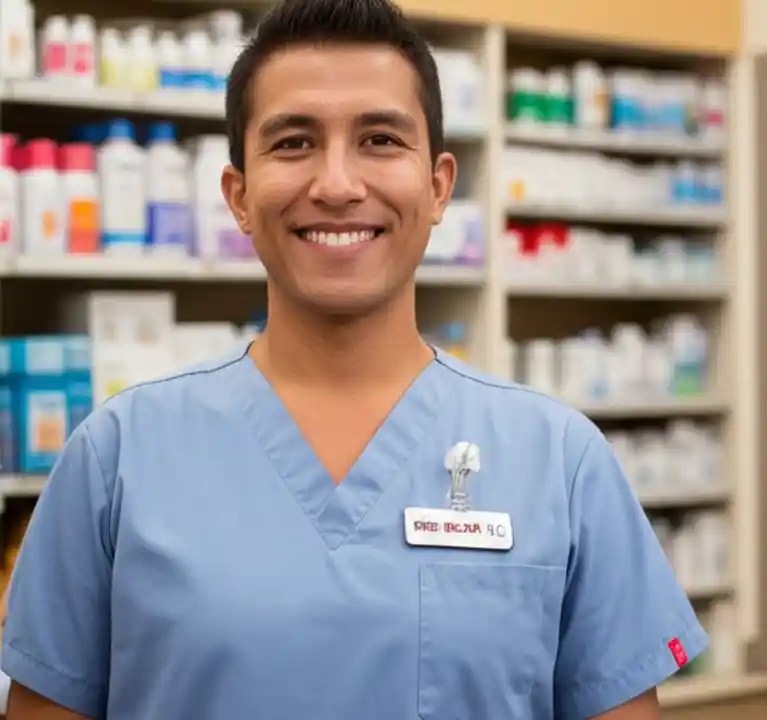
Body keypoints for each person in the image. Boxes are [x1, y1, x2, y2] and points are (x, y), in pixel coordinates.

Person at [0, 0, 707, 717]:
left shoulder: (559, 462)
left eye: (378, 139)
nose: (337, 184)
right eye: (294, 143)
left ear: (437, 188)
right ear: (238, 196)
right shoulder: (116, 458)